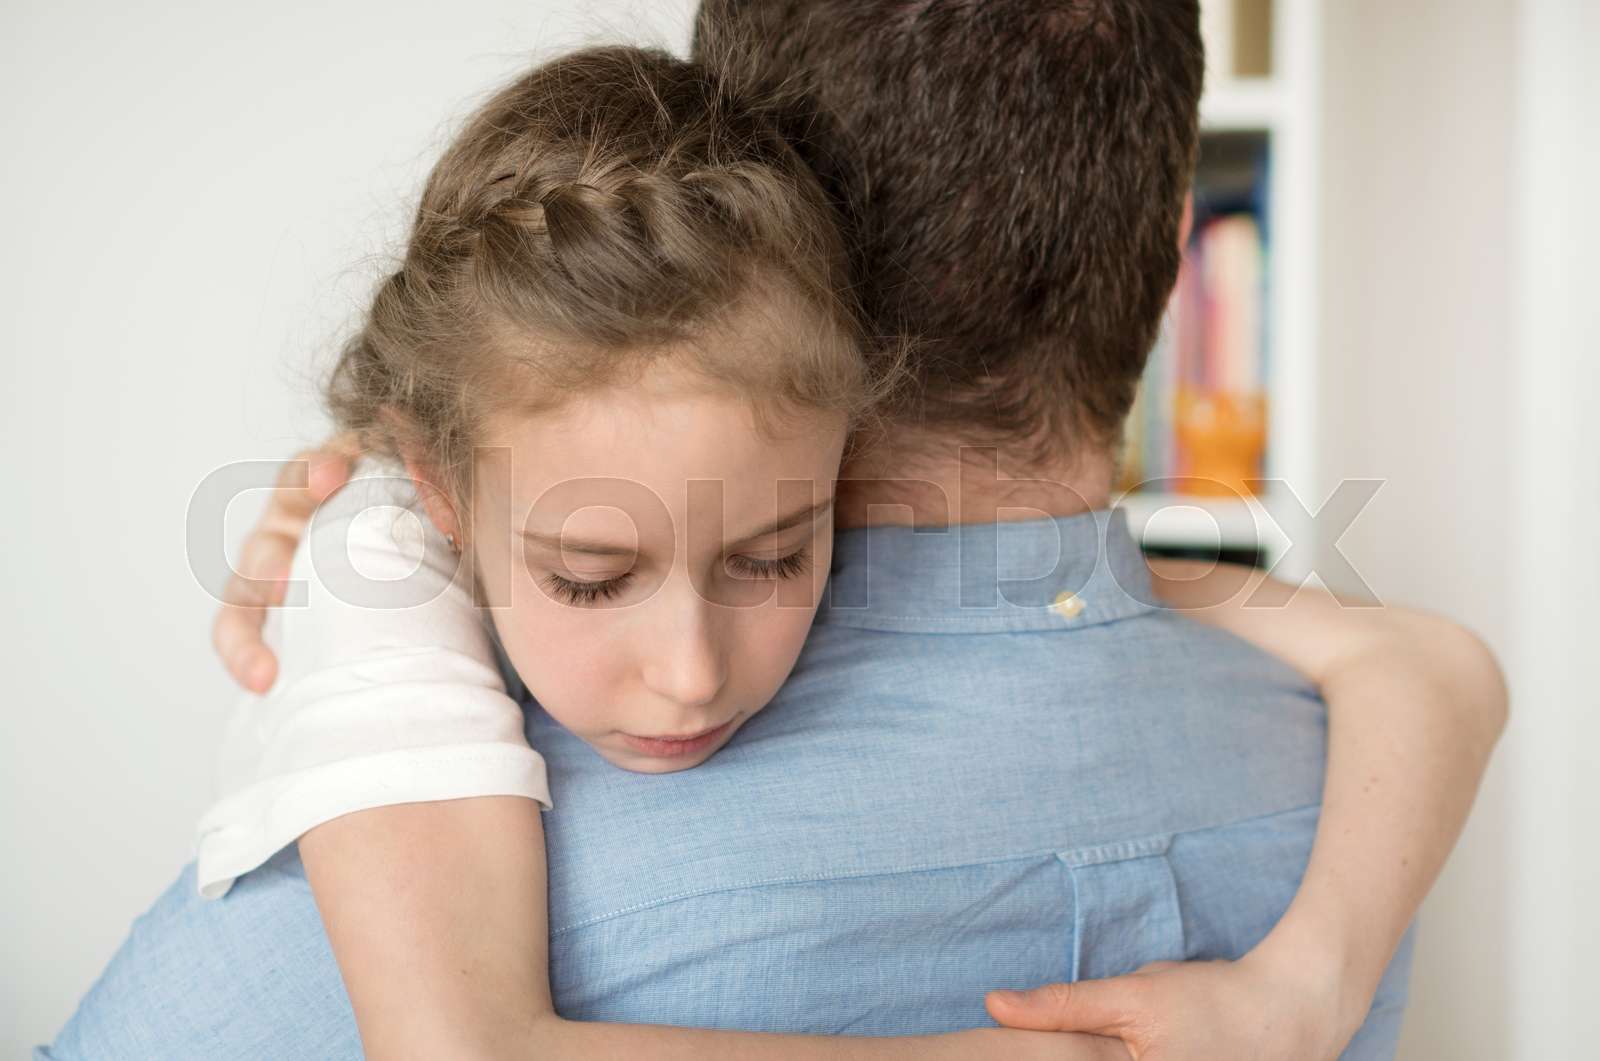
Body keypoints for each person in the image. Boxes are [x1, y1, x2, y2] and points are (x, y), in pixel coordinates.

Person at [40, 4, 1506, 1060]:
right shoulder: (1337, 793)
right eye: (594, 572)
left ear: (807, 247)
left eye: (766, 553)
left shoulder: (439, 868)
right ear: (1178, 231)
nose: (682, 671)